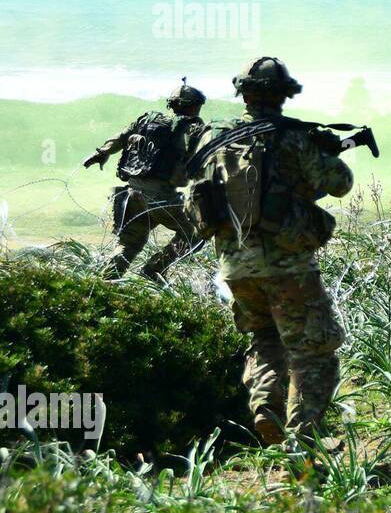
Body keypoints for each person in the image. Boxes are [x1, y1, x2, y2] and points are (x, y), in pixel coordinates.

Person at [190, 57, 354, 444]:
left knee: (265, 338)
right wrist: (329, 152)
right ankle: (303, 440)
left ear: (243, 93)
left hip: (235, 269)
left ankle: (266, 410)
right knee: (313, 351)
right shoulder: (294, 138)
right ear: (284, 95)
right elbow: (340, 183)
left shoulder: (213, 140)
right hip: (288, 266)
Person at [83, 80, 208, 281]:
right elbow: (201, 156)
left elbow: (122, 136)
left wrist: (102, 153)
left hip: (131, 195)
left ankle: (104, 283)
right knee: (197, 233)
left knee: (127, 245)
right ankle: (153, 270)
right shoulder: (191, 128)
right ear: (194, 106)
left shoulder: (148, 121)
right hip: (161, 199)